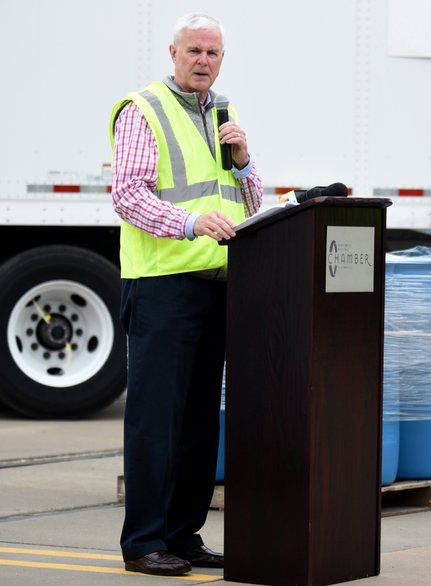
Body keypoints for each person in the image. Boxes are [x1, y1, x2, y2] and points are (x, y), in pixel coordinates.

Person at [109, 13, 263, 576]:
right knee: (156, 418)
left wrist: (245, 162)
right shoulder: (143, 109)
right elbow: (127, 194)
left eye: (214, 53)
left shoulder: (224, 114)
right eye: (195, 50)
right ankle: (144, 541)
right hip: (162, 286)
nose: (204, 61)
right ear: (173, 53)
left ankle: (183, 535)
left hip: (218, 287)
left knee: (200, 420)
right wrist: (188, 225)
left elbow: (251, 205)